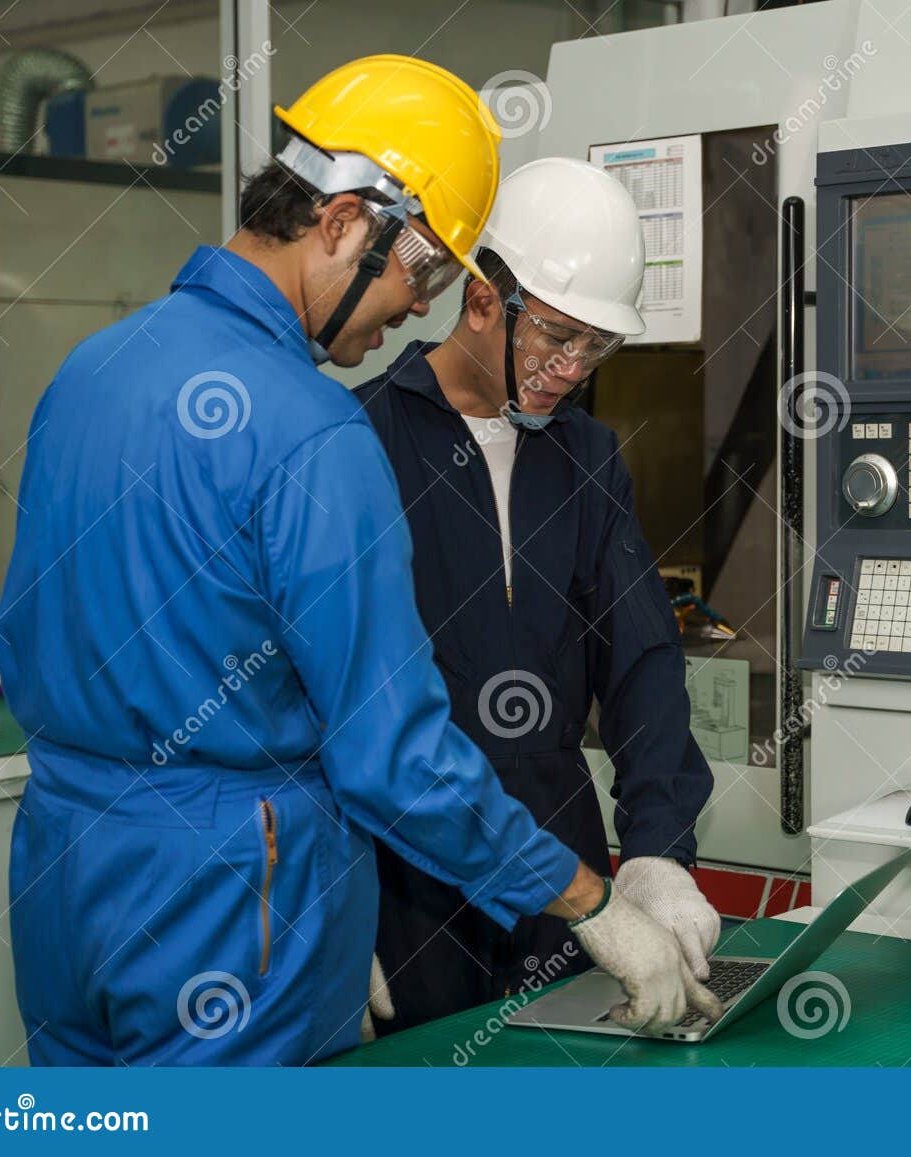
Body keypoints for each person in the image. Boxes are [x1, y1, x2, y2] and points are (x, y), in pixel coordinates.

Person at [0, 57, 718, 1066]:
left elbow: (31, 627)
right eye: (418, 272)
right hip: (234, 887)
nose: (414, 309)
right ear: (341, 221)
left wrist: (652, 847)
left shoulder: (93, 368)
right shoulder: (320, 430)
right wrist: (588, 901)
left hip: (66, 866)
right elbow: (393, 753)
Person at [354, 158, 719, 1034]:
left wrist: (661, 853)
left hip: (569, 874)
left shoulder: (588, 458)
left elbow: (642, 661)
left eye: (597, 346)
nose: (572, 367)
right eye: (557, 335)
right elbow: (308, 693)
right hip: (407, 875)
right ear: (483, 297)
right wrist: (320, 896)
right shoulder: (361, 438)